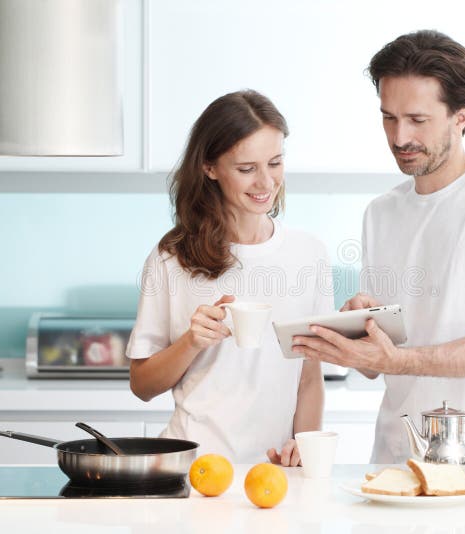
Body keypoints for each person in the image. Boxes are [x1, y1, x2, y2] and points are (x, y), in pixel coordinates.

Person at [292, 30, 465, 465]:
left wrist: (396, 359)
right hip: (398, 463)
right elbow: (377, 365)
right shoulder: (381, 212)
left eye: (417, 120)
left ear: (461, 116)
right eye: (388, 118)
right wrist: (361, 331)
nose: (399, 138)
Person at [126, 90, 332, 465]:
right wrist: (192, 341)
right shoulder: (172, 258)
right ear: (210, 167)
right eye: (246, 168)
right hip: (193, 467)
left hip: (272, 475)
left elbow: (308, 378)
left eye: (275, 162)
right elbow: (142, 385)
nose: (266, 182)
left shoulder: (309, 254)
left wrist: (306, 446)